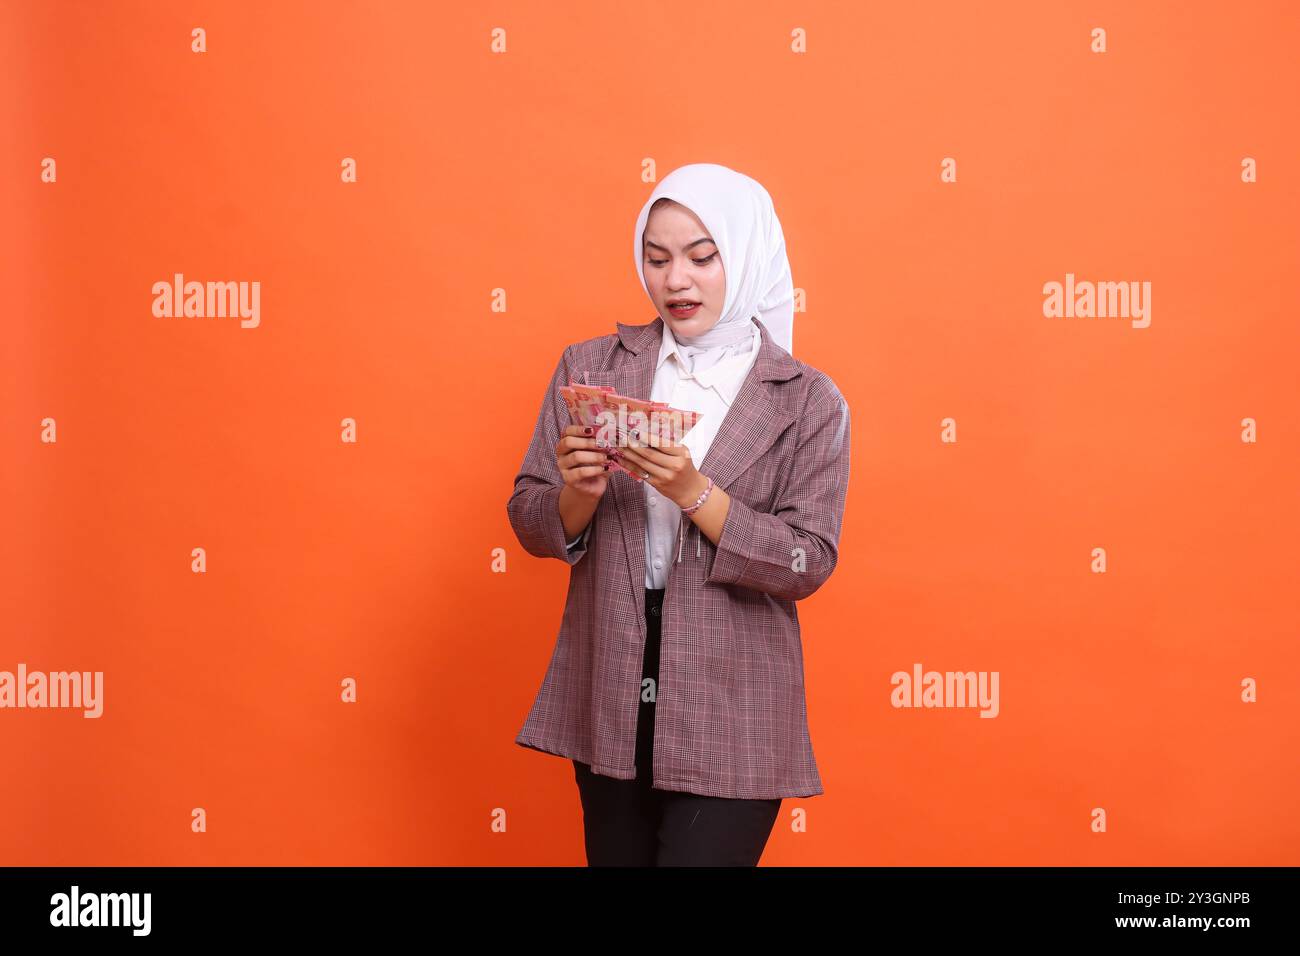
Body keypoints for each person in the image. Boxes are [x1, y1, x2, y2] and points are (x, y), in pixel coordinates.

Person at [507, 162, 852, 866]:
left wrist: (698, 493)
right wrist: (579, 493)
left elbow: (809, 559)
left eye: (702, 256)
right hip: (610, 671)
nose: (676, 281)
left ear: (747, 254)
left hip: (735, 688)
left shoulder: (807, 399)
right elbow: (528, 515)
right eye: (656, 258)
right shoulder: (593, 365)